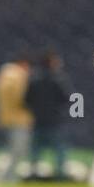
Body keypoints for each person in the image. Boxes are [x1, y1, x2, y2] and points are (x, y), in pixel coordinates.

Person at [27, 52, 71, 180]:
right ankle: (60, 176)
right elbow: (67, 98)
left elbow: (26, 99)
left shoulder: (33, 80)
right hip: (54, 121)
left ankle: (34, 175)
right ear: (51, 63)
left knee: (35, 151)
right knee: (59, 150)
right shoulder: (58, 79)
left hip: (37, 121)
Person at [0, 57, 33, 183]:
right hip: (18, 118)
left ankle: (3, 175)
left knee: (11, 149)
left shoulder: (3, 76)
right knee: (18, 149)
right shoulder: (18, 76)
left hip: (5, 118)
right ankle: (6, 177)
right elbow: (21, 98)